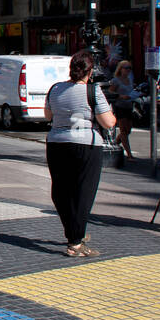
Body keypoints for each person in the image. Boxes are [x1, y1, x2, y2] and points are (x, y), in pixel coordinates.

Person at [43, 51, 117, 258]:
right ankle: (75, 241)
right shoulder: (92, 91)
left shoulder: (55, 89)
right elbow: (108, 123)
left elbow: (48, 115)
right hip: (86, 144)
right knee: (84, 191)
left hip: (57, 142)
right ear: (90, 71)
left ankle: (74, 233)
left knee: (61, 190)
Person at [106, 59, 136, 159]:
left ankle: (115, 143)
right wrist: (120, 96)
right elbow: (110, 92)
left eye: (130, 68)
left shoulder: (130, 80)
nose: (128, 70)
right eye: (126, 68)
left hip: (129, 106)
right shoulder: (116, 80)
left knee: (128, 130)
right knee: (123, 130)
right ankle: (129, 154)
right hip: (120, 106)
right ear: (120, 69)